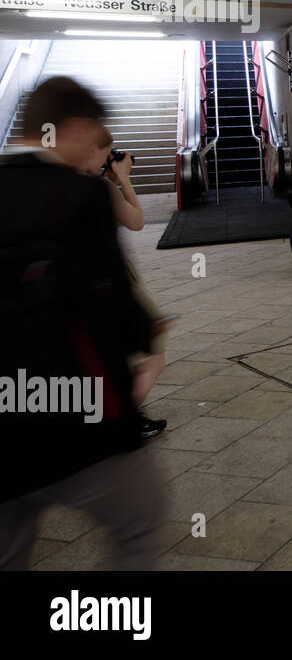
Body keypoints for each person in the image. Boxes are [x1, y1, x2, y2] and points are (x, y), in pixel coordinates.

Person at [0, 76, 164, 570]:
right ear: (71, 127)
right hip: (73, 412)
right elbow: (109, 294)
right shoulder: (79, 195)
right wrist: (148, 343)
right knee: (140, 524)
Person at [80, 128, 168, 436]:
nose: (110, 159)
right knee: (154, 357)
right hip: (114, 282)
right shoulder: (99, 187)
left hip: (81, 288)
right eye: (107, 152)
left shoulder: (65, 186)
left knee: (109, 357)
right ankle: (122, 420)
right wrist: (125, 179)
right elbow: (136, 221)